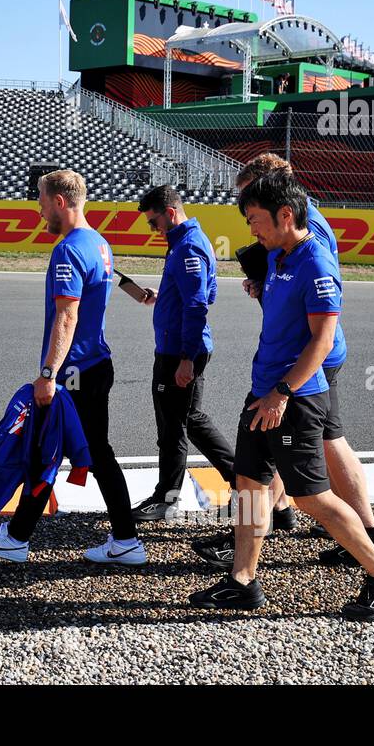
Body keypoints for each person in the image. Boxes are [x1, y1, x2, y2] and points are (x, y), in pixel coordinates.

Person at [189, 170, 374, 620]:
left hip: (294, 398)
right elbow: (280, 315)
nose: (250, 229)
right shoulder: (277, 255)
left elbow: (322, 341)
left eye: (255, 218)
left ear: (285, 214)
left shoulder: (315, 263)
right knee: (250, 485)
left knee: (310, 497)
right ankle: (243, 582)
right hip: (263, 391)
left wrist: (283, 393)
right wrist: (260, 291)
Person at [0, 169, 144, 566]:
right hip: (96, 364)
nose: (39, 209)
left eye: (42, 201)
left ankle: (16, 539)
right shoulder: (98, 242)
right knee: (96, 454)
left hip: (75, 370)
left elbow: (67, 316)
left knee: (44, 452)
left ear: (60, 202)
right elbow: (105, 285)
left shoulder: (68, 249)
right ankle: (125, 540)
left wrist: (48, 374)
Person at [118, 185, 235, 521]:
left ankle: (168, 499)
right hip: (181, 346)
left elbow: (198, 304)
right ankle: (246, 482)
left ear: (170, 213)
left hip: (180, 351)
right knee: (189, 422)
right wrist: (161, 296)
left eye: (154, 222)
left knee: (174, 429)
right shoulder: (185, 242)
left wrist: (186, 357)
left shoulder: (187, 247)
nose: (153, 229)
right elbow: (194, 295)